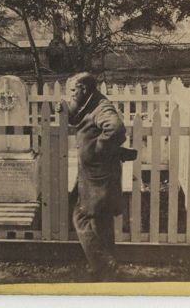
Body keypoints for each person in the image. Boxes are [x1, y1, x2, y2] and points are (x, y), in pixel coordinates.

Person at [66, 72, 127, 281]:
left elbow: (116, 129)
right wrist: (65, 106)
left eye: (74, 90)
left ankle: (105, 262)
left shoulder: (102, 107)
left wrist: (97, 150)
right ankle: (102, 267)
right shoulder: (91, 103)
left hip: (98, 174)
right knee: (102, 220)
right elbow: (76, 117)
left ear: (84, 88)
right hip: (93, 174)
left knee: (81, 217)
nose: (72, 95)